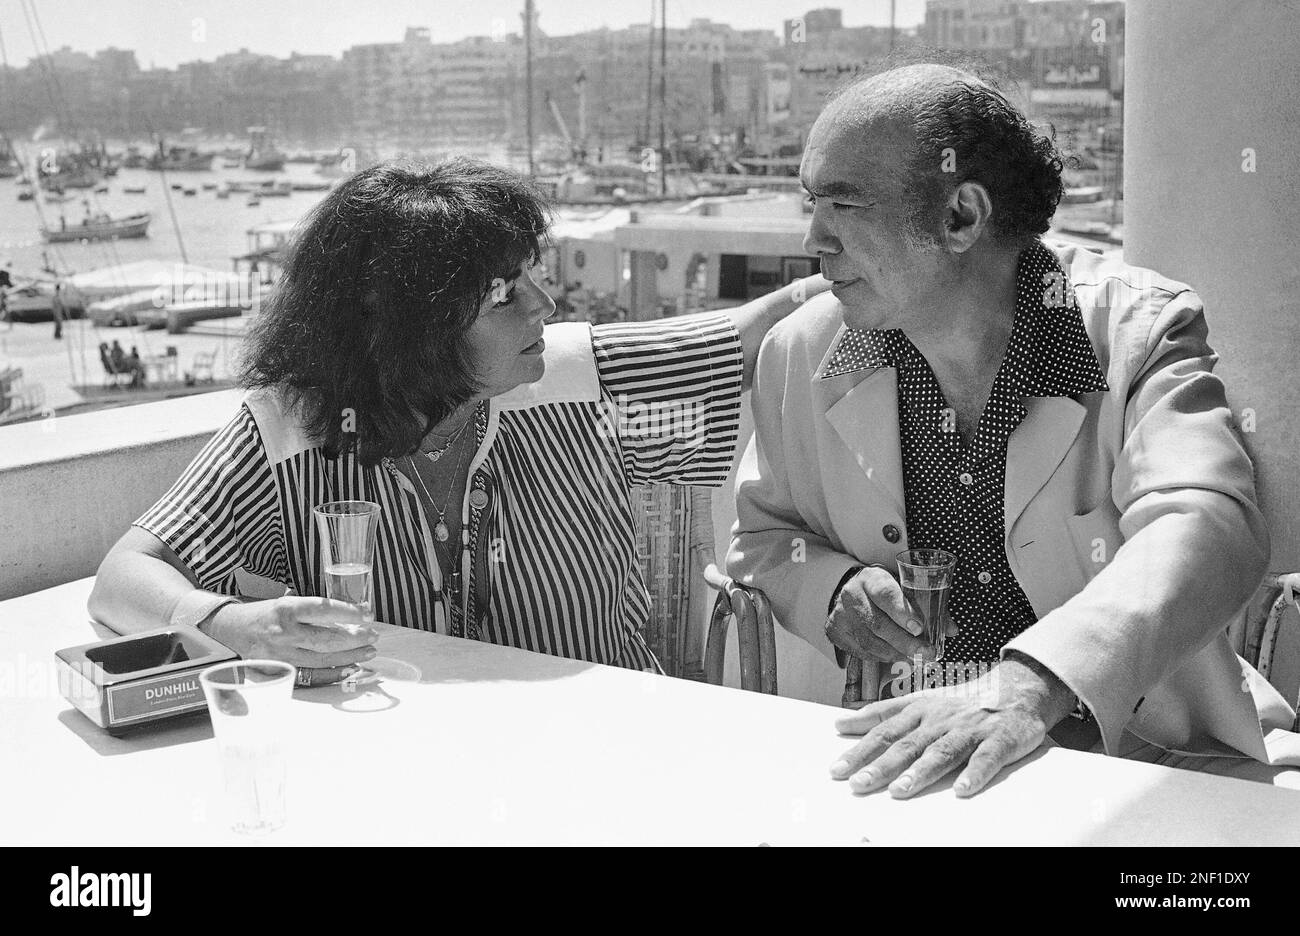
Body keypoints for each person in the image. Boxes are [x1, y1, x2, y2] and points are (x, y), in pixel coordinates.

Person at [727, 63, 1300, 797]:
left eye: (843, 204)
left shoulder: (1137, 329)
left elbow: (1209, 524)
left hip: (1146, 764)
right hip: (903, 763)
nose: (814, 239)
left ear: (962, 216)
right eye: (812, 203)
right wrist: (832, 586)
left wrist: (1033, 685)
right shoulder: (799, 351)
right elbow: (763, 535)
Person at [89, 158, 829, 688]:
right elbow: (123, 579)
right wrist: (226, 624)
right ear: (418, 329)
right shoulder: (293, 431)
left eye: (534, 276)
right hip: (405, 784)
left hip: (600, 765)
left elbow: (775, 324)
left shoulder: (579, 378)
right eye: (506, 296)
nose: (545, 303)